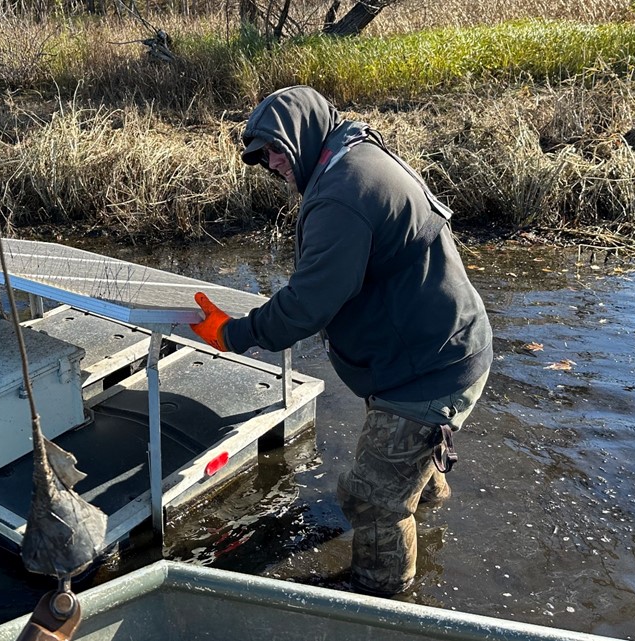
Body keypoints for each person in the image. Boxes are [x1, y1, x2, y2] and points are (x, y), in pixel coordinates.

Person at [189, 85, 493, 597]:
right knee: (404, 469)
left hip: (427, 371)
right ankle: (428, 510)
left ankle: (384, 600)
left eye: (277, 150)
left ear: (303, 135)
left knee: (371, 499)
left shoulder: (342, 193)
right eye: (263, 157)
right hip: (440, 348)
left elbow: (308, 304)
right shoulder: (355, 155)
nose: (273, 165)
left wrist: (232, 332)